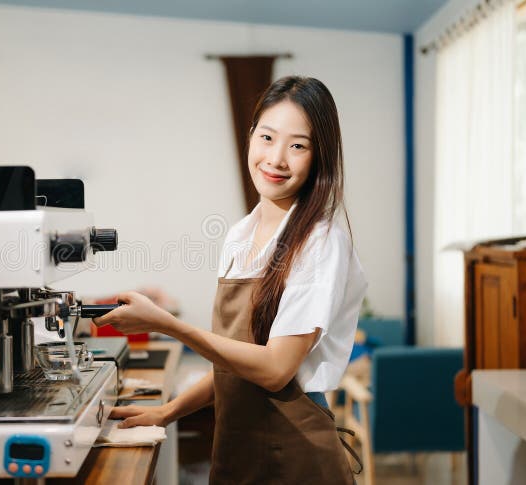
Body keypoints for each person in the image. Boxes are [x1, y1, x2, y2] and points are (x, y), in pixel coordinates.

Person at [93, 76, 367, 484]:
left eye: (298, 145)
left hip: (295, 456)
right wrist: (168, 411)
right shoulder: (239, 235)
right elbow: (236, 362)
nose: (276, 159)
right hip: (237, 450)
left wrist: (166, 324)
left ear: (319, 156)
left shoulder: (321, 242)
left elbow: (275, 370)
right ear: (250, 136)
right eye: (267, 137)